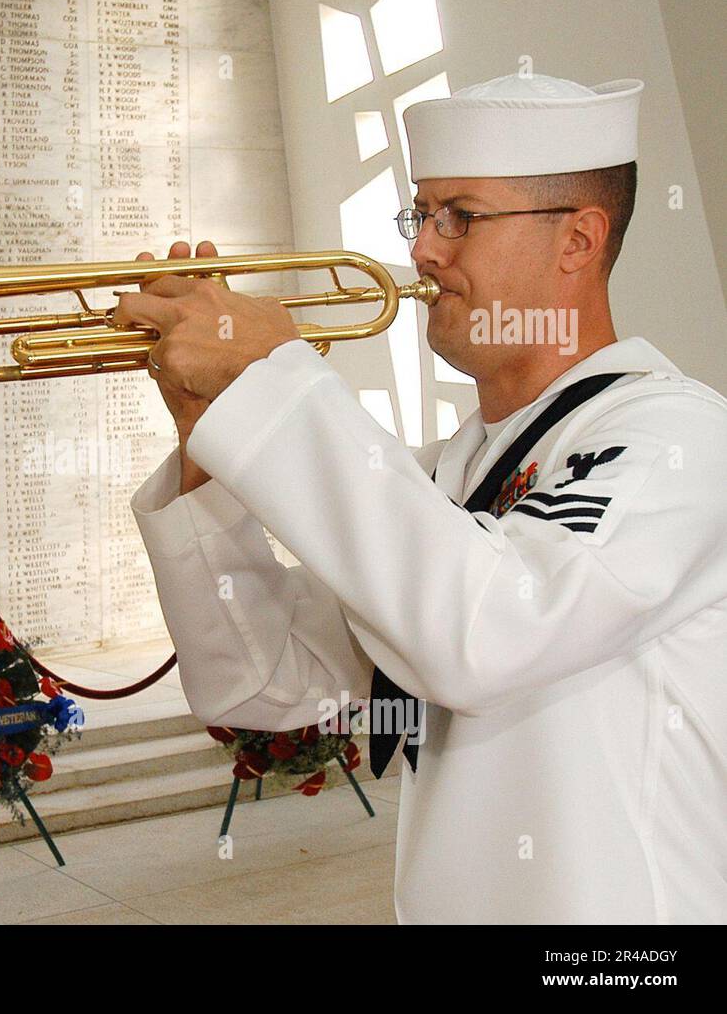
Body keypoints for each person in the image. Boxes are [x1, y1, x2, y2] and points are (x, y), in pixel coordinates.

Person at [122, 73, 727, 924]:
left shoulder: (676, 441)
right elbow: (261, 682)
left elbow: (486, 634)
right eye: (423, 215)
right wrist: (205, 441)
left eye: (462, 217)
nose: (425, 251)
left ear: (579, 241)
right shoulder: (453, 470)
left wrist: (276, 386)